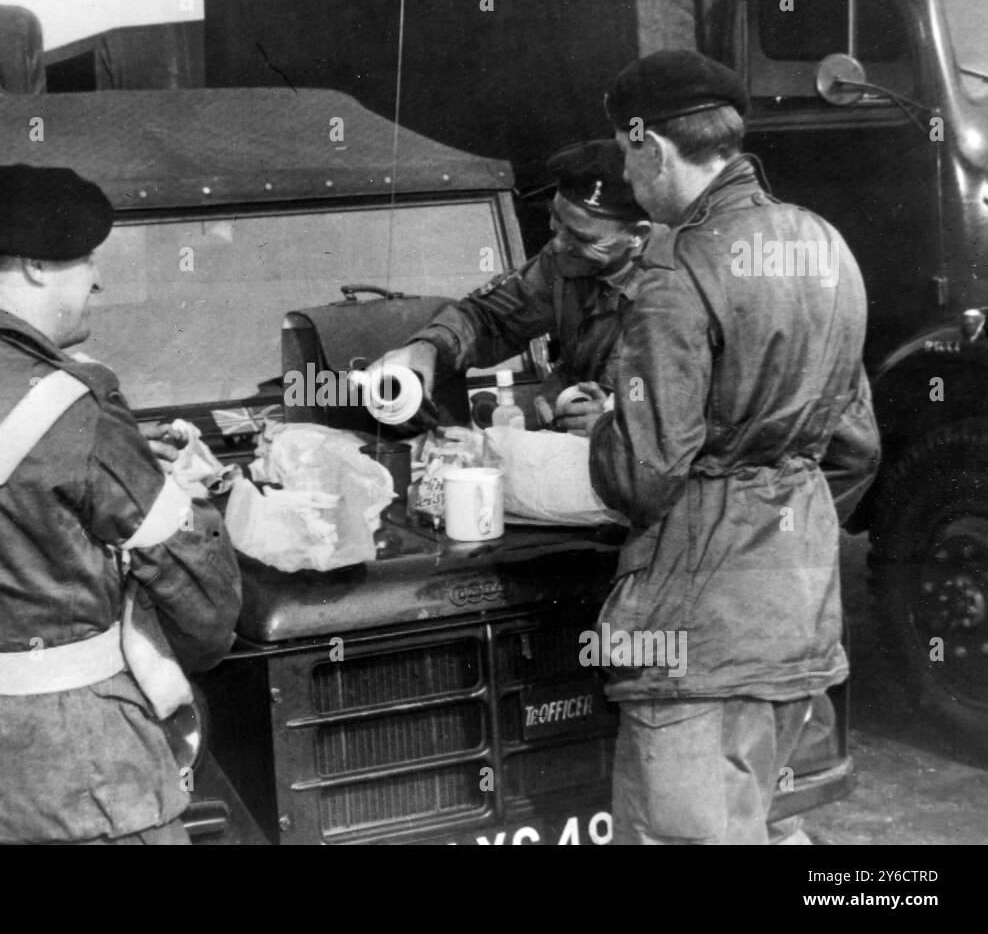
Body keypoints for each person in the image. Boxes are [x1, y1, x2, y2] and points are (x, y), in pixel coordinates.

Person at [0, 164, 242, 845]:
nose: (96, 280)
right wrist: (195, 506)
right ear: (36, 268)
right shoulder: (78, 400)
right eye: (87, 262)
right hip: (86, 783)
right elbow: (205, 613)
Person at [590, 49, 880, 844]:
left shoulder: (677, 272)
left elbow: (647, 478)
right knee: (761, 827)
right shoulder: (825, 244)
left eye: (624, 152)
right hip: (799, 616)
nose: (626, 174)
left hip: (699, 639)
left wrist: (598, 433)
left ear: (649, 143)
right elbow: (855, 450)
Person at [372, 140, 651, 436]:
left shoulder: (678, 290)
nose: (557, 245)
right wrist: (428, 348)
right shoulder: (563, 264)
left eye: (581, 237)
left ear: (637, 235)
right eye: (557, 222)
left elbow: (692, 416)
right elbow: (489, 319)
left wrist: (617, 424)